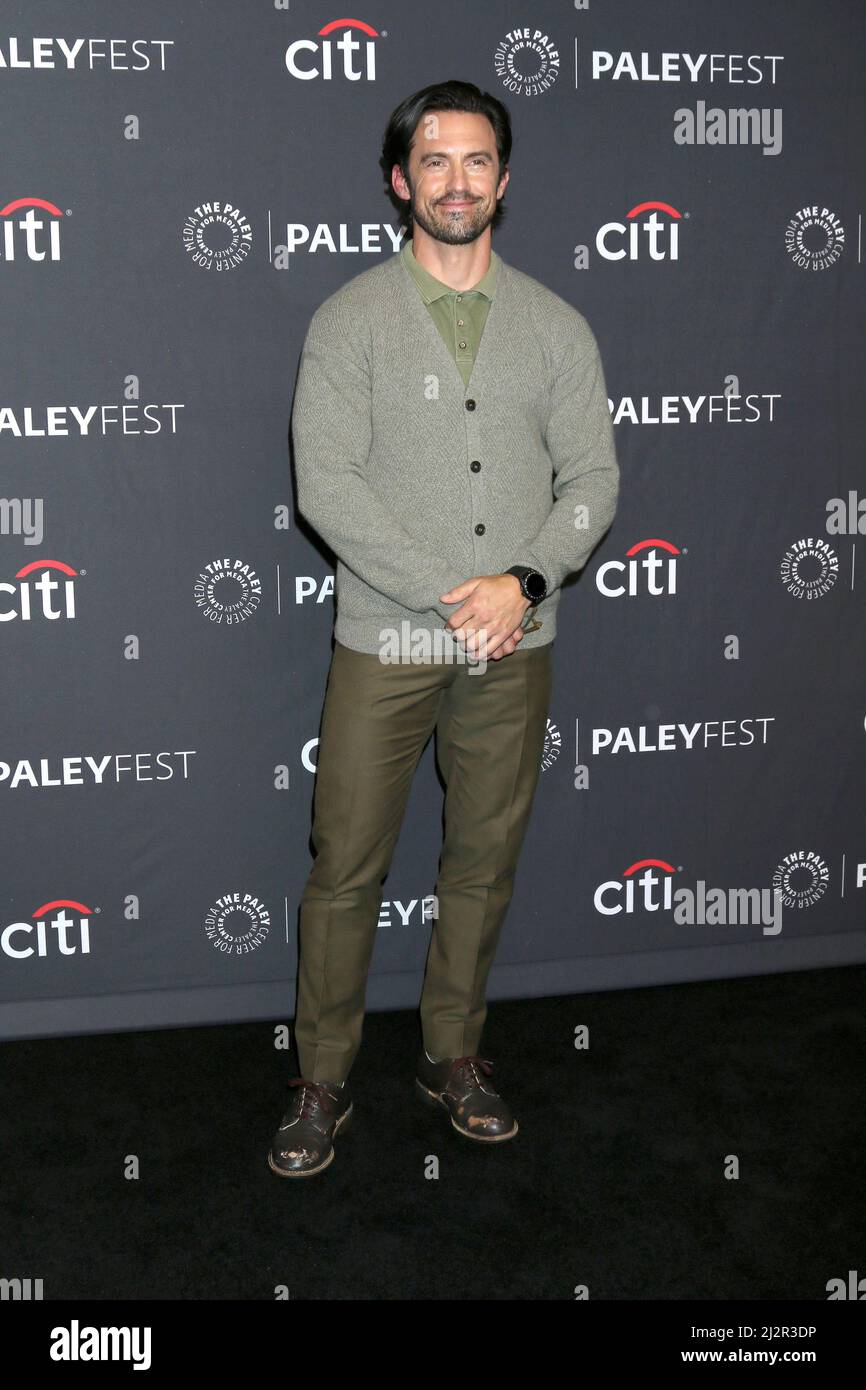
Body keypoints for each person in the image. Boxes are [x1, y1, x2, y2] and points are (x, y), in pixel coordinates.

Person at [268, 79, 619, 1178]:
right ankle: (322, 1076)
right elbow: (326, 485)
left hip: (512, 639)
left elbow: (592, 478)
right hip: (389, 639)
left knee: (481, 860)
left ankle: (450, 1057)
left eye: (476, 161)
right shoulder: (348, 319)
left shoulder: (556, 325)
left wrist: (518, 579)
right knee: (346, 865)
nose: (455, 180)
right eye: (434, 161)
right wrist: (446, 591)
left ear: (501, 182)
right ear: (398, 180)